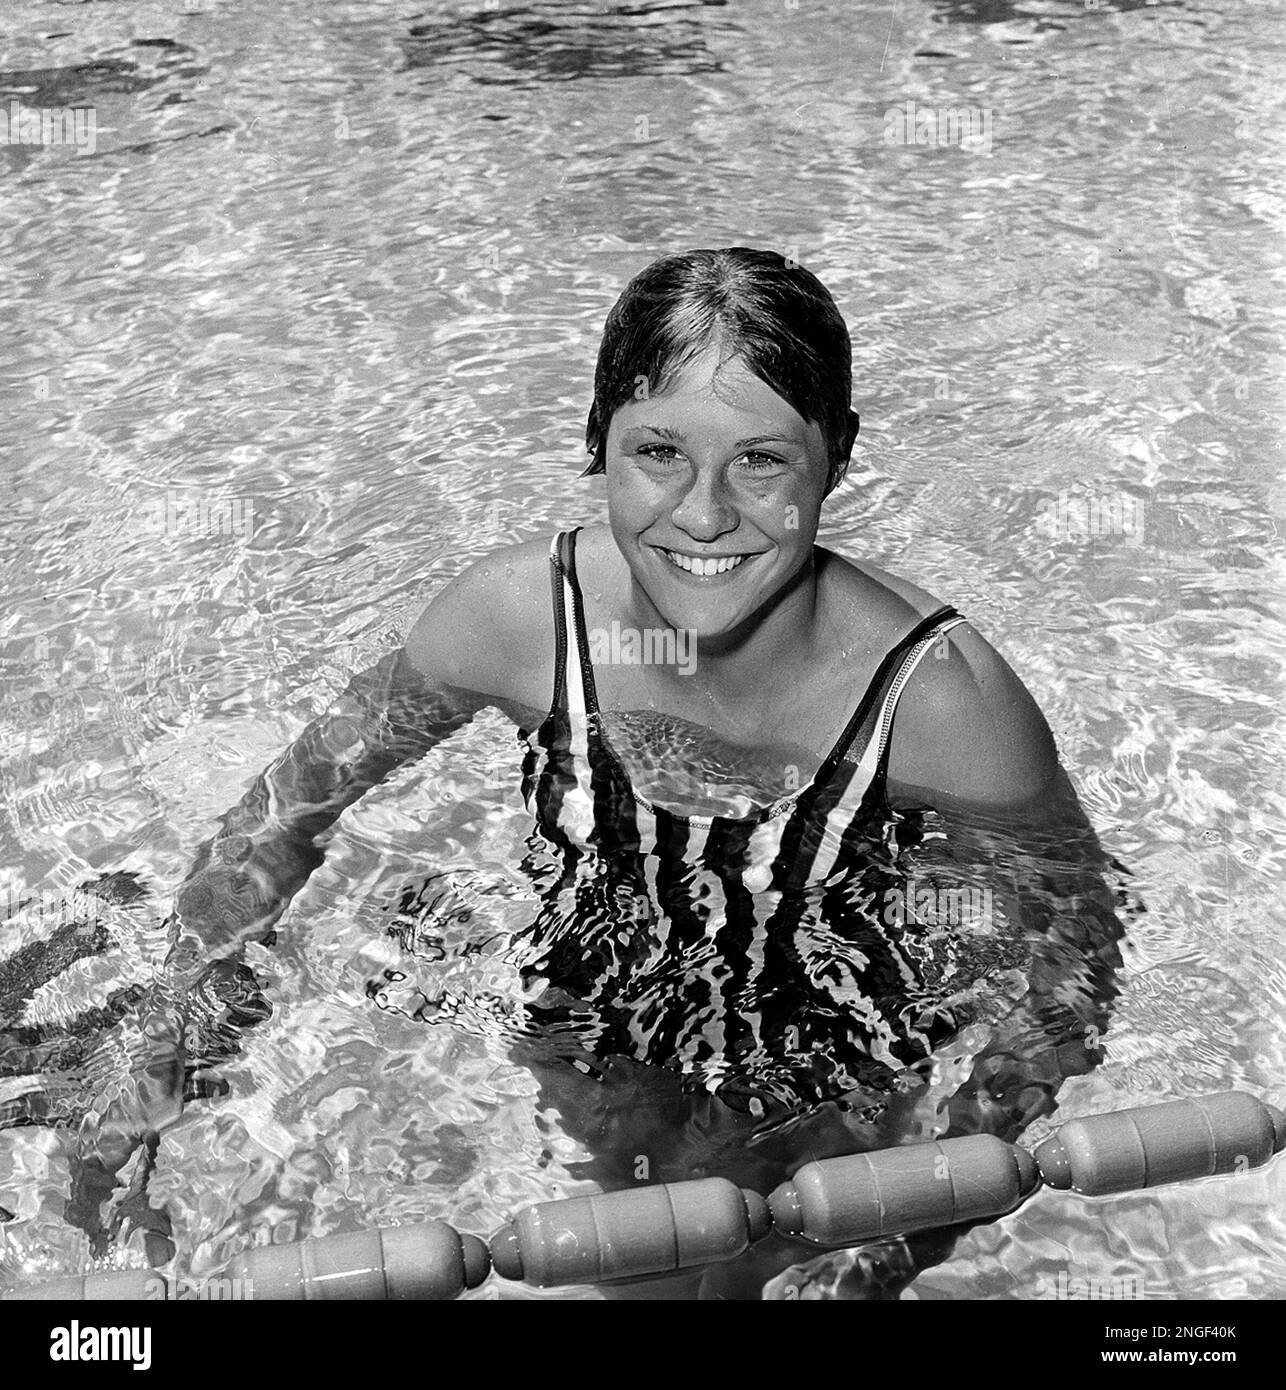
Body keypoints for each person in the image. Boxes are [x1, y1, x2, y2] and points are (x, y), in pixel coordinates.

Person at [70, 247, 1124, 1297]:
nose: (703, 513)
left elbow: (1065, 972)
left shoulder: (940, 703)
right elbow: (288, 809)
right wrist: (169, 1035)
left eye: (761, 461)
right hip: (591, 1019)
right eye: (657, 451)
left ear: (835, 456)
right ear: (597, 446)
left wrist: (924, 1211)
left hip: (836, 1049)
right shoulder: (516, 623)